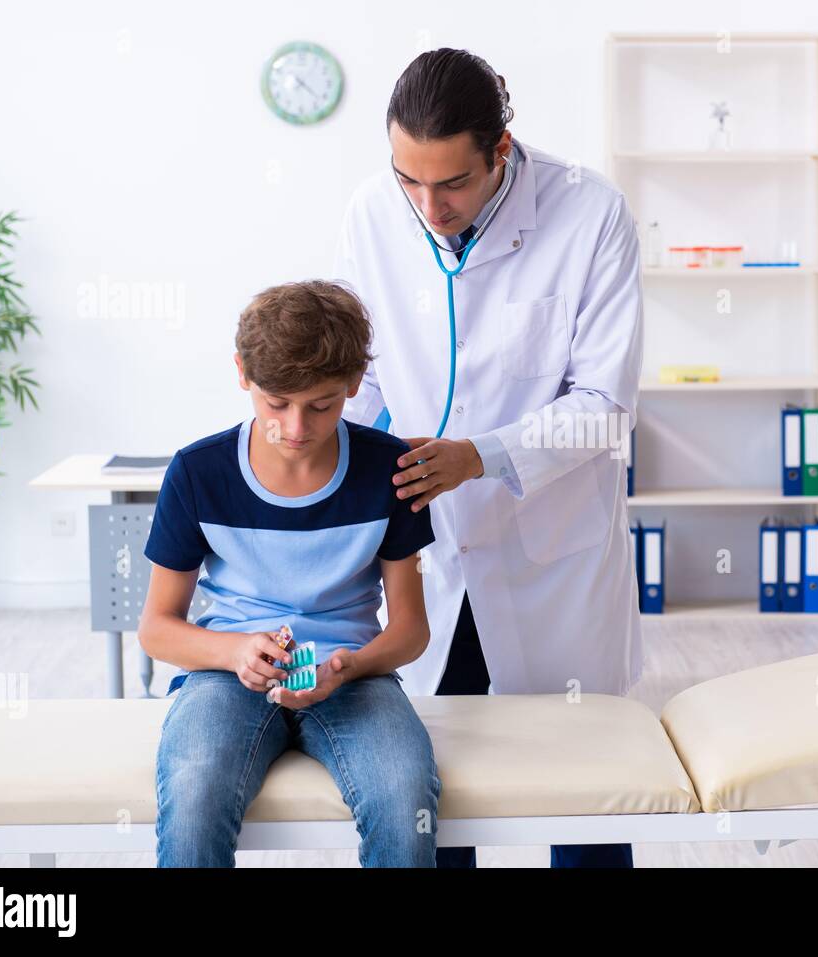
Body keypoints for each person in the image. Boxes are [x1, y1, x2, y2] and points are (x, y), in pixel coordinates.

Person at [333, 48, 644, 868]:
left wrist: (480, 455)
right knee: (441, 796)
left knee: (583, 803)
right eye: (409, 179)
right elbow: (362, 373)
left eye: (453, 184)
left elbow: (607, 408)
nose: (428, 207)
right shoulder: (373, 212)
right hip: (427, 556)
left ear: (500, 150)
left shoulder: (591, 214)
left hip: (553, 559)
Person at [139, 280, 439, 867]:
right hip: (226, 676)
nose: (296, 427)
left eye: (322, 405)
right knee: (196, 794)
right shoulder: (199, 472)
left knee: (406, 802)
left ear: (354, 384)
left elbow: (411, 629)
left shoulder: (389, 470)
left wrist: (352, 664)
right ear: (242, 375)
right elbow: (156, 628)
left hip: (353, 675)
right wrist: (234, 652)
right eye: (277, 403)